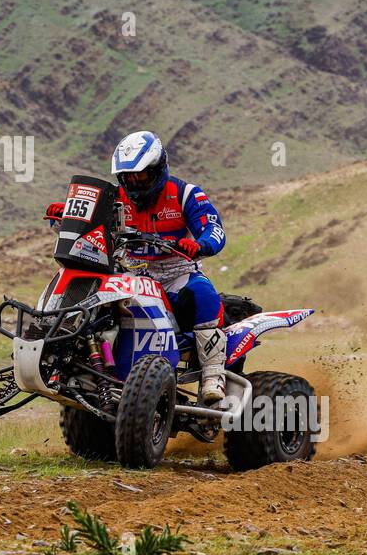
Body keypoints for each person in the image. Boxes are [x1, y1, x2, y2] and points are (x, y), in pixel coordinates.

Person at [45, 131, 229, 401]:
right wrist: (65, 216)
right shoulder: (113, 198)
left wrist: (199, 245)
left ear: (158, 169)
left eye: (141, 175)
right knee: (88, 302)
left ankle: (213, 377)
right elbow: (84, 230)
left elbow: (215, 229)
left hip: (176, 272)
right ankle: (68, 364)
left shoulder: (186, 193)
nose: (134, 182)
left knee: (204, 295)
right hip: (129, 272)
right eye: (128, 177)